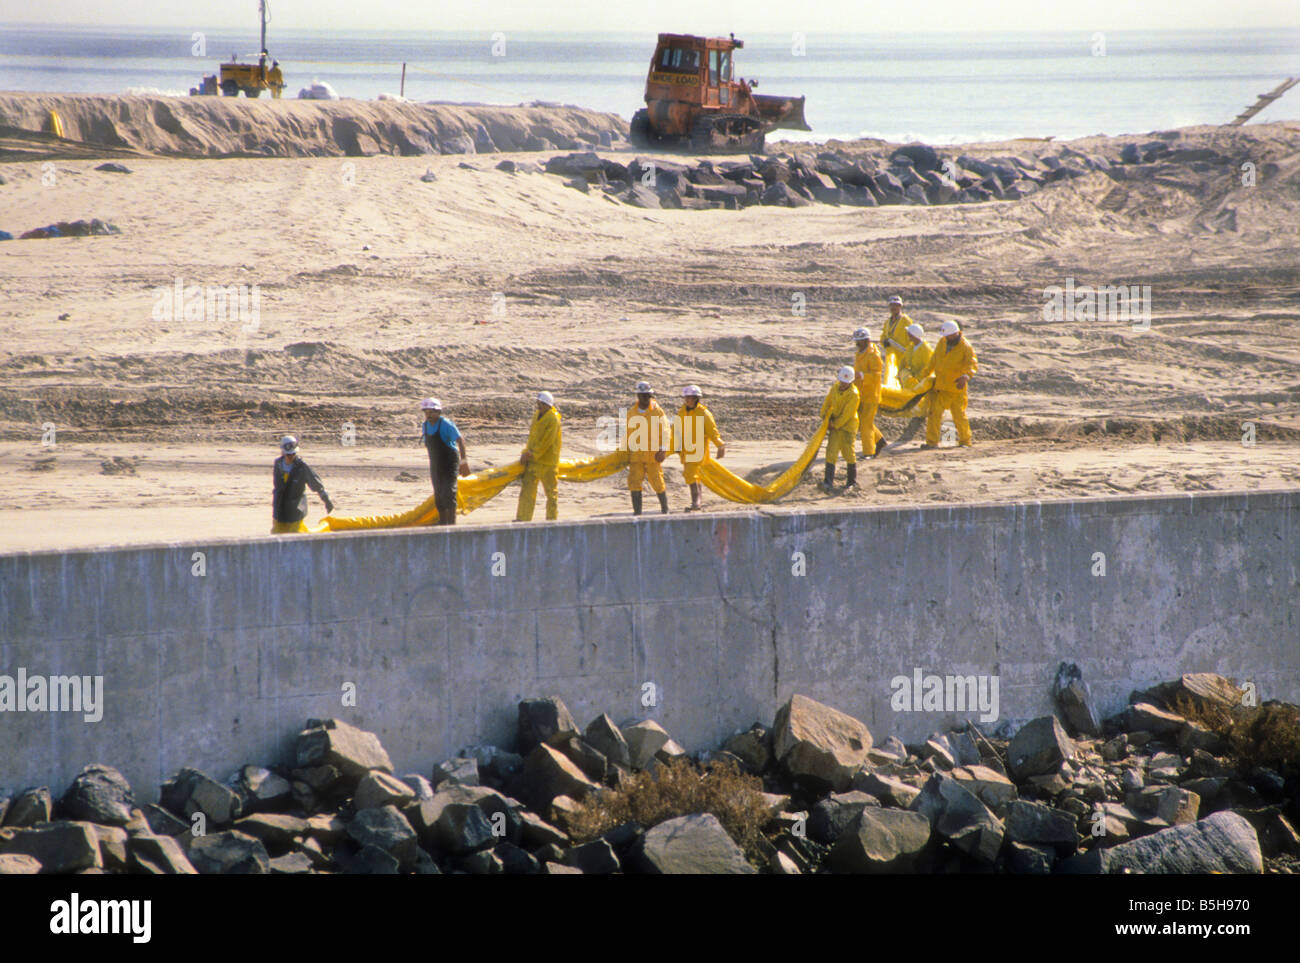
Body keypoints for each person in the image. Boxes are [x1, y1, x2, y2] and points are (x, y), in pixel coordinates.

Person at [920, 320, 979, 448]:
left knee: (959, 415)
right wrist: (924, 375)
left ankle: (965, 441)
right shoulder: (942, 342)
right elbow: (934, 359)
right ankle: (932, 442)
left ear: (956, 333)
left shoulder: (965, 347)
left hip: (957, 387)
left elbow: (972, 363)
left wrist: (966, 376)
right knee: (934, 413)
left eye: (949, 336)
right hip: (941, 386)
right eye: (946, 336)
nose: (947, 338)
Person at [675, 384, 725, 512]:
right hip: (686, 449)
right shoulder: (682, 412)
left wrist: (720, 445)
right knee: (693, 474)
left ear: (696, 398)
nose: (687, 400)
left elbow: (712, 431)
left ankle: (696, 502)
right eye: (686, 397)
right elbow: (676, 430)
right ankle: (698, 502)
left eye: (690, 397)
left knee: (690, 474)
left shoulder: (704, 413)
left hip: (698, 449)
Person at [420, 397, 469, 525]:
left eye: (432, 412)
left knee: (449, 491)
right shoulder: (424, 426)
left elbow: (460, 441)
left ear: (438, 412)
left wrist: (463, 462)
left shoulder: (446, 424)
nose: (429, 415)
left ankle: (452, 524)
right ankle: (442, 523)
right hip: (436, 464)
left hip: (450, 462)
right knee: (439, 494)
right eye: (426, 412)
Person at [271, 435, 334, 534]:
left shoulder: (302, 467)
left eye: (293, 454)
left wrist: (326, 499)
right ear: (283, 452)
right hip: (279, 510)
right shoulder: (278, 464)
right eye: (288, 455)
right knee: (276, 536)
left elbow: (316, 484)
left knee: (296, 537)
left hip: (295, 511)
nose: (291, 456)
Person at [625, 380, 670, 515]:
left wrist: (663, 449)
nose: (646, 398)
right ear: (638, 396)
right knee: (634, 480)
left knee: (657, 480)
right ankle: (637, 513)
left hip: (653, 454)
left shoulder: (657, 412)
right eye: (643, 395)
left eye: (648, 395)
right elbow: (628, 434)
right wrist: (626, 452)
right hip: (637, 455)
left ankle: (665, 509)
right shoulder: (632, 413)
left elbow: (666, 431)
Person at [516, 390, 562, 522]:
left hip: (548, 463)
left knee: (551, 493)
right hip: (534, 461)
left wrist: (531, 454)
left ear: (548, 405)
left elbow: (546, 441)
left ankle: (552, 520)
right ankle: (523, 519)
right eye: (538, 403)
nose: (539, 406)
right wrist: (526, 451)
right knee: (527, 491)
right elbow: (533, 437)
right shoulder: (537, 415)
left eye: (541, 403)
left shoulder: (554, 419)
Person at [820, 366, 860, 492]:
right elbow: (828, 401)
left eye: (846, 382)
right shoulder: (835, 388)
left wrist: (835, 425)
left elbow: (847, 414)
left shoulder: (854, 395)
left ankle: (851, 482)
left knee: (848, 453)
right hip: (836, 426)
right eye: (842, 381)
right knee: (831, 451)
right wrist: (824, 415)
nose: (843, 384)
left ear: (851, 382)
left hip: (848, 427)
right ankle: (828, 482)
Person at [852, 326, 888, 458]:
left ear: (867, 340)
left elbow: (876, 375)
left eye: (859, 341)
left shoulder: (873, 355)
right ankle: (880, 441)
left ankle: (869, 452)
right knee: (864, 422)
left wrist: (862, 375)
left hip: (871, 395)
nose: (857, 344)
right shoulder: (860, 353)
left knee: (865, 425)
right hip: (861, 393)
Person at [880, 295, 915, 370]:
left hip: (903, 358)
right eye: (892, 305)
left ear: (900, 306)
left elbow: (913, 340)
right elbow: (883, 337)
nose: (894, 307)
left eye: (896, 305)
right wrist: (884, 342)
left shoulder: (906, 321)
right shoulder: (887, 323)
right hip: (890, 358)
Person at [896, 323, 934, 392]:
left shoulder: (925, 349)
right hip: (913, 375)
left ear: (913, 335)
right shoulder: (911, 346)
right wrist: (899, 373)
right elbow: (903, 361)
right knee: (904, 372)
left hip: (922, 379)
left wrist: (917, 379)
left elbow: (928, 367)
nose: (907, 335)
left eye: (909, 334)